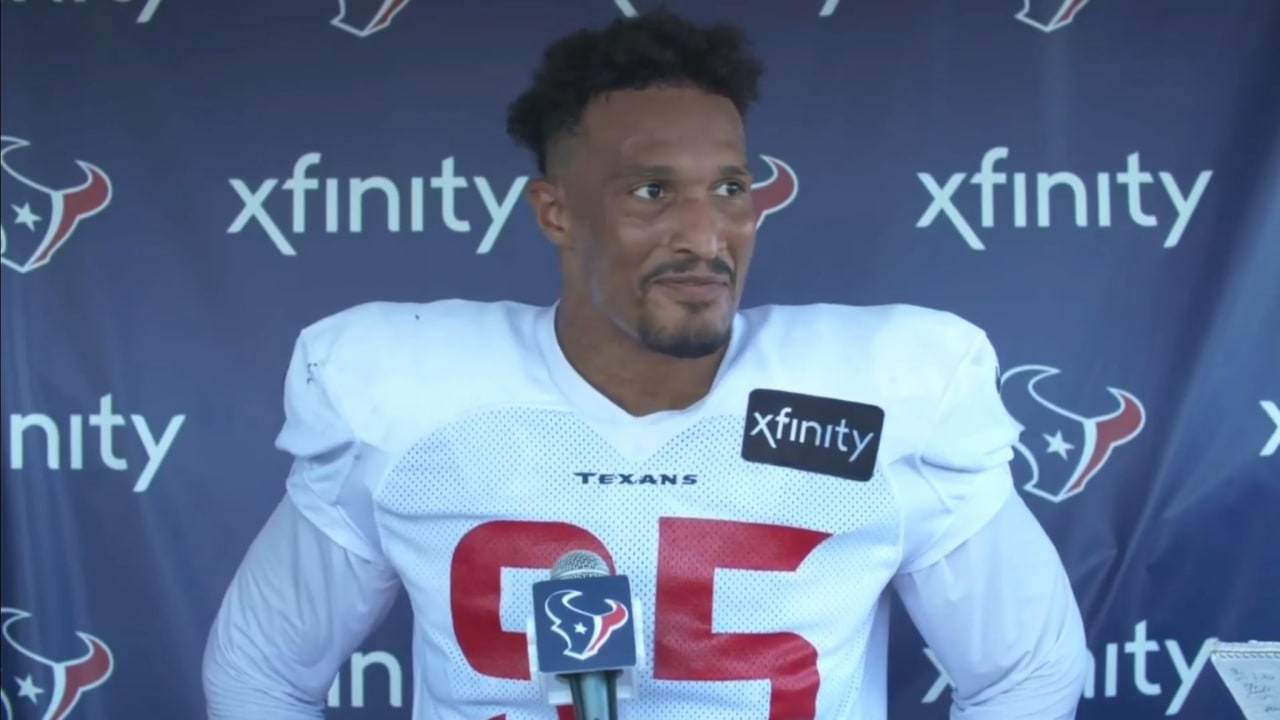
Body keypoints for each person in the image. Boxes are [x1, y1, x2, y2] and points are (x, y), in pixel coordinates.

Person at [202, 9, 1089, 719]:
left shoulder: (888, 392)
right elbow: (261, 674)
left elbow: (1025, 671)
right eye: (651, 191)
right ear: (554, 212)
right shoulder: (400, 394)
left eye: (731, 190)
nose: (705, 237)